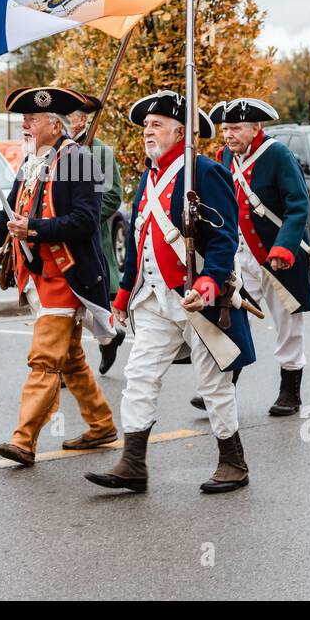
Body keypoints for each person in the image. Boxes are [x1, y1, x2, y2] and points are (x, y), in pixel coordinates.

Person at [84, 90, 256, 495]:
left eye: (157, 125)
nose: (148, 131)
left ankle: (233, 462)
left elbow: (224, 239)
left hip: (196, 299)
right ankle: (133, 464)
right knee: (139, 376)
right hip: (153, 298)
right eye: (146, 125)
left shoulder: (204, 172)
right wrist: (124, 292)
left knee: (214, 384)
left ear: (181, 132)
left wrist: (209, 282)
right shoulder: (151, 175)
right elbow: (140, 237)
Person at [0, 86, 118, 466]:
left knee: (44, 358)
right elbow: (7, 214)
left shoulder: (79, 160)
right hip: (38, 276)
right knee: (71, 359)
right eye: (24, 119)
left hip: (67, 275)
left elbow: (85, 221)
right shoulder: (32, 161)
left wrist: (34, 229)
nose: (25, 126)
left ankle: (24, 439)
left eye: (31, 119)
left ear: (54, 124)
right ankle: (101, 424)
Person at [208, 98, 310, 417]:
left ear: (256, 128)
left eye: (235, 128)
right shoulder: (226, 155)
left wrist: (284, 247)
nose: (228, 135)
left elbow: (298, 204)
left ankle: (290, 390)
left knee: (287, 325)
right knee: (233, 319)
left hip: (276, 254)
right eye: (225, 129)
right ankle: (224, 386)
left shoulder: (278, 154)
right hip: (240, 257)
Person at [66, 99, 125, 374]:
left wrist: (82, 217)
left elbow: (113, 196)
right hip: (59, 238)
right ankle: (68, 361)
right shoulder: (60, 151)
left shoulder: (98, 151)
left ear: (82, 120)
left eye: (67, 116)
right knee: (63, 305)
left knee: (82, 301)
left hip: (89, 237)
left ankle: (107, 337)